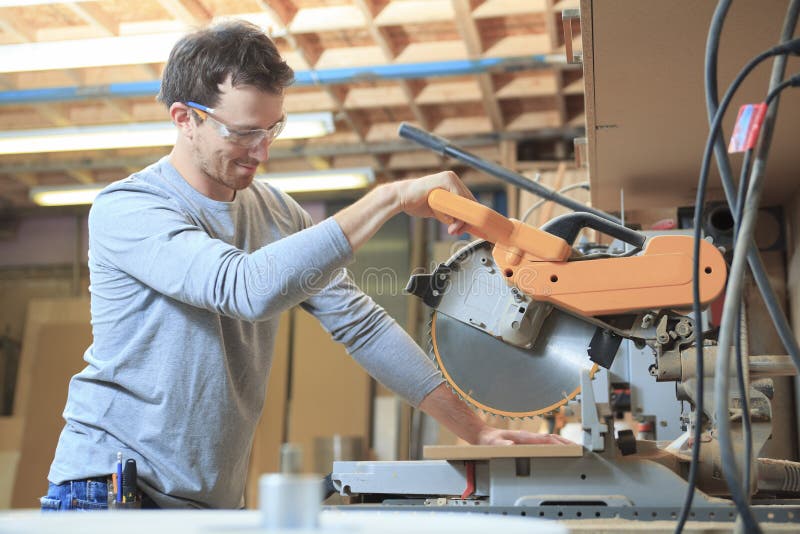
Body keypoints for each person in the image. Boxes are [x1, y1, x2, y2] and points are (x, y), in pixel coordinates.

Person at [42, 20, 570, 511]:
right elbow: (242, 288)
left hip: (208, 500)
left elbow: (360, 326)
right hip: (109, 491)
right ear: (185, 119)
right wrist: (386, 199)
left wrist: (473, 429)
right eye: (243, 132)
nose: (262, 152)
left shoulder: (276, 212)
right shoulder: (129, 208)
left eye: (273, 129)